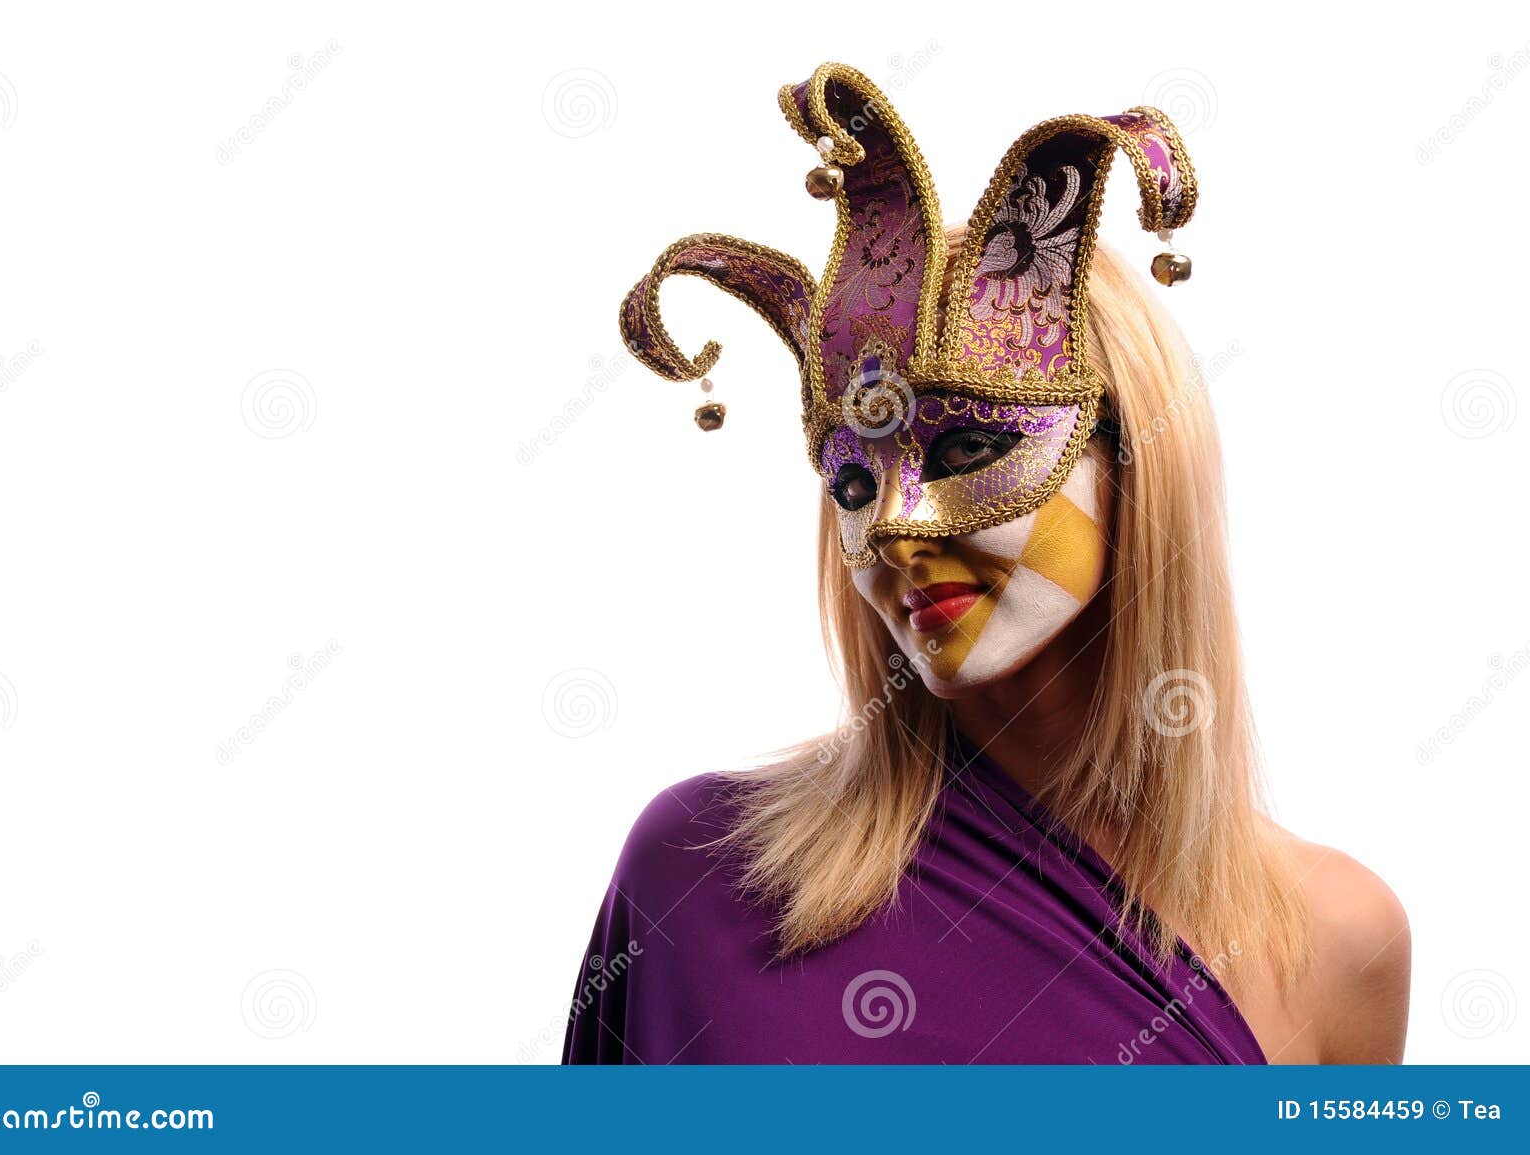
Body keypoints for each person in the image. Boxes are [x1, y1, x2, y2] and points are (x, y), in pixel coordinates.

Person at [564, 62, 1409, 1065]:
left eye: (966, 449)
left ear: (1136, 464)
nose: (893, 529)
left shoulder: (1338, 941)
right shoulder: (700, 873)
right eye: (852, 482)